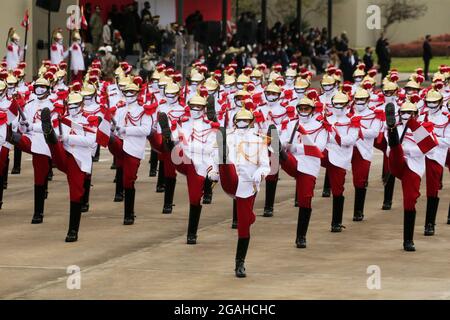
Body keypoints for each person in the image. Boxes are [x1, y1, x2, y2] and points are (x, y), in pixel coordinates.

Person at [212, 105, 270, 278]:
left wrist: (258, 175)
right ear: (234, 121)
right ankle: (225, 160)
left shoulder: (259, 140)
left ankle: (240, 263)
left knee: (244, 225)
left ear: (252, 122)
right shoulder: (226, 137)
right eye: (239, 120)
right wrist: (212, 172)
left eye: (245, 120)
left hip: (247, 184)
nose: (242, 122)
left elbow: (266, 166)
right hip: (230, 179)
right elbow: (211, 159)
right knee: (225, 163)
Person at [158, 93, 218, 244]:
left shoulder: (210, 127)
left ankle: (192, 233)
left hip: (200, 165)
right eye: (193, 107)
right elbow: (178, 140)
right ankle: (167, 140)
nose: (195, 110)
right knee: (174, 148)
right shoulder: (183, 123)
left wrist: (212, 169)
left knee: (195, 198)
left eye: (199, 107)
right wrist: (170, 139)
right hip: (183, 159)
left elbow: (211, 151)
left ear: (204, 109)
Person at [40, 92, 96, 242]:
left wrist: (68, 137)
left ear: (82, 105)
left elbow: (91, 141)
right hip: (63, 155)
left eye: (75, 105)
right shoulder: (62, 119)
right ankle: (49, 135)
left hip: (78, 159)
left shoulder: (89, 119)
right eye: (69, 105)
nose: (71, 108)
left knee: (76, 192)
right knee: (55, 145)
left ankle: (73, 230)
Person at [385, 97, 436, 251]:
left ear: (416, 113)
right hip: (397, 163)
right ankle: (390, 128)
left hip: (413, 168)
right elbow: (388, 150)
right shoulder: (399, 127)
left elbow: (430, 148)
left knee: (410, 200)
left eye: (410, 112)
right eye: (404, 112)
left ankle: (408, 240)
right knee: (395, 148)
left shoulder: (423, 129)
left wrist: (409, 150)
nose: (407, 115)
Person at [280, 96, 328, 247]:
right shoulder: (291, 124)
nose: (302, 111)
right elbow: (283, 139)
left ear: (312, 110)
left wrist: (296, 148)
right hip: (293, 161)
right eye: (300, 108)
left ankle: (301, 236)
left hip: (309, 165)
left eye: (306, 108)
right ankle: (280, 156)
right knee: (282, 155)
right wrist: (282, 144)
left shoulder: (321, 127)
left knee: (305, 200)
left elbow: (319, 148)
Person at [420, 89, 450, 235]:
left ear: (440, 102)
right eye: (429, 102)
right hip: (418, 153)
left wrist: (433, 139)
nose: (431, 104)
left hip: (436, 155)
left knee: (432, 189)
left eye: (434, 102)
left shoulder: (446, 119)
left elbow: (448, 141)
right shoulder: (421, 117)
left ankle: (429, 223)